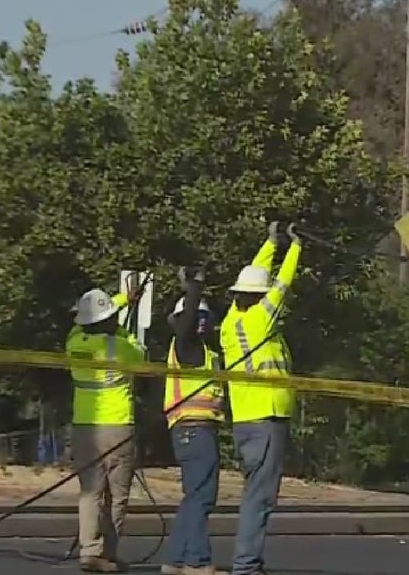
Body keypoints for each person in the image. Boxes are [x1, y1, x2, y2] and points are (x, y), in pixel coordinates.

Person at [219, 222, 301, 575]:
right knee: (260, 497)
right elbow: (282, 285)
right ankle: (246, 565)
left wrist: (270, 243)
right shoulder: (261, 320)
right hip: (267, 417)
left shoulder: (230, 322)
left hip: (245, 419)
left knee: (254, 492)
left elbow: (257, 274)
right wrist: (295, 248)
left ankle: (248, 562)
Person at [68, 287, 147, 573]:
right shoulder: (119, 346)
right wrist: (124, 329)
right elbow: (140, 356)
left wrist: (123, 299)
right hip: (116, 426)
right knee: (117, 495)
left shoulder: (73, 341)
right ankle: (108, 553)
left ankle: (89, 550)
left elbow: (92, 321)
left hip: (84, 427)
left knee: (90, 493)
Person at [161, 264, 228, 575]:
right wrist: (194, 288)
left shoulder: (206, 352)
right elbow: (187, 322)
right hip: (194, 430)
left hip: (197, 430)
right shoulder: (185, 345)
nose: (200, 320)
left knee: (194, 497)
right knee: (202, 497)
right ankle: (196, 561)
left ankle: (176, 560)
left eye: (205, 316)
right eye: (195, 315)